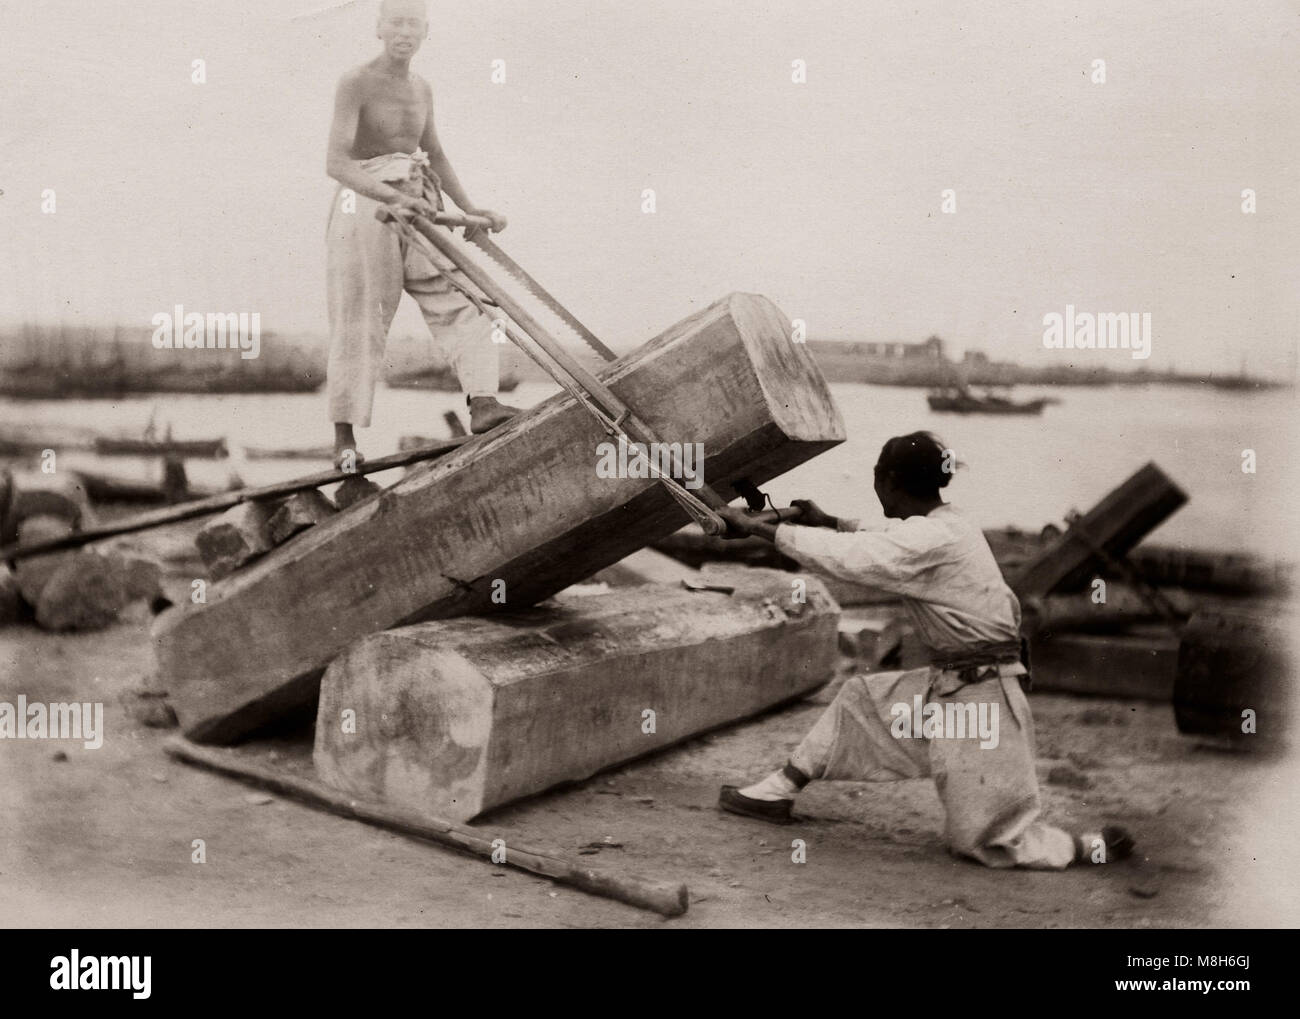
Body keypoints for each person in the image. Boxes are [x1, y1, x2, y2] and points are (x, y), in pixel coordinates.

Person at [713, 432, 1135, 870]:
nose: (877, 491)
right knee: (860, 702)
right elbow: (887, 535)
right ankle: (774, 793)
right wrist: (831, 520)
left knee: (987, 839)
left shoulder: (931, 541)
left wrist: (763, 531)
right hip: (955, 684)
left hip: (982, 698)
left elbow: (861, 556)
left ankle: (1088, 848)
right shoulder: (948, 524)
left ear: (890, 482)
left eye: (878, 480)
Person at [325, 0, 519, 469]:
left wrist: (469, 210)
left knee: (467, 299)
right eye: (396, 22)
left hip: (420, 201)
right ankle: (344, 440)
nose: (403, 31)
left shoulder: (422, 89)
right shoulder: (356, 81)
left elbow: (434, 151)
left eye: (413, 23)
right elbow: (337, 163)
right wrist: (389, 197)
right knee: (360, 319)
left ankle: (484, 403)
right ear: (379, 27)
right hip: (367, 207)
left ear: (425, 31)